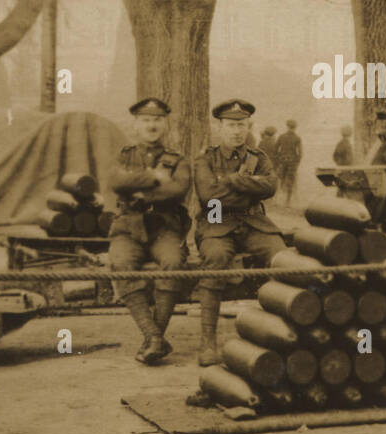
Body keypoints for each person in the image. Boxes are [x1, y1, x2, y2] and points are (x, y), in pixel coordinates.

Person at [193, 99, 286, 365]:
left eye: (241, 125)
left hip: (254, 223)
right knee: (215, 259)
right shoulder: (206, 158)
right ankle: (207, 343)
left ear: (248, 127)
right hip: (216, 222)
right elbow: (209, 196)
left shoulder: (259, 157)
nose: (237, 131)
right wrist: (249, 188)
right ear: (219, 127)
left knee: (281, 258)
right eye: (231, 125)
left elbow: (271, 187)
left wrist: (232, 181)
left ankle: (277, 335)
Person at [108, 97, 192, 365]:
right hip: (128, 228)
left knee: (173, 262)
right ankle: (154, 337)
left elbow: (177, 190)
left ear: (165, 125)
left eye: (157, 120)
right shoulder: (124, 155)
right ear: (136, 124)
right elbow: (116, 182)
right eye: (146, 120)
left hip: (164, 228)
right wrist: (154, 178)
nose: (151, 125)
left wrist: (138, 190)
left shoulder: (177, 160)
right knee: (120, 263)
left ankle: (153, 339)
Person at [274, 118, 303, 205]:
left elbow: (275, 149)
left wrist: (278, 158)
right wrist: (297, 162)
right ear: (295, 127)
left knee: (280, 180)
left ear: (287, 126)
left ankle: (276, 200)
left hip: (282, 161)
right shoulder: (297, 138)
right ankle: (287, 201)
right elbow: (300, 153)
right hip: (292, 162)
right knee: (290, 181)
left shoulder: (281, 136)